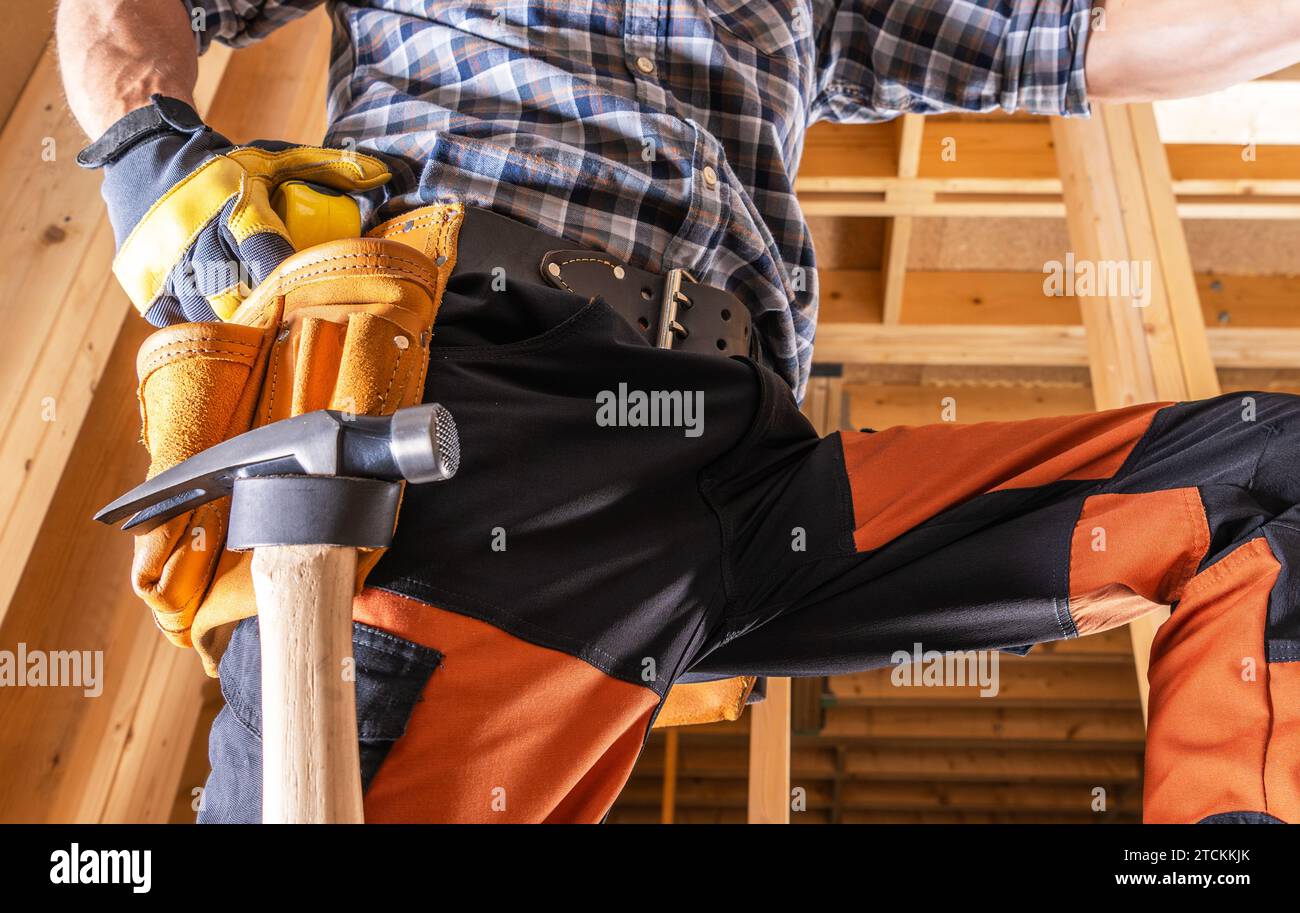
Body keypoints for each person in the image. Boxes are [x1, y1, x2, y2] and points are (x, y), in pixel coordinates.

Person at [57, 0, 1300, 823]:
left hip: (747, 480)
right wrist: (151, 151)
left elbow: (1102, 38)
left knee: (1266, 484)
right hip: (472, 422)